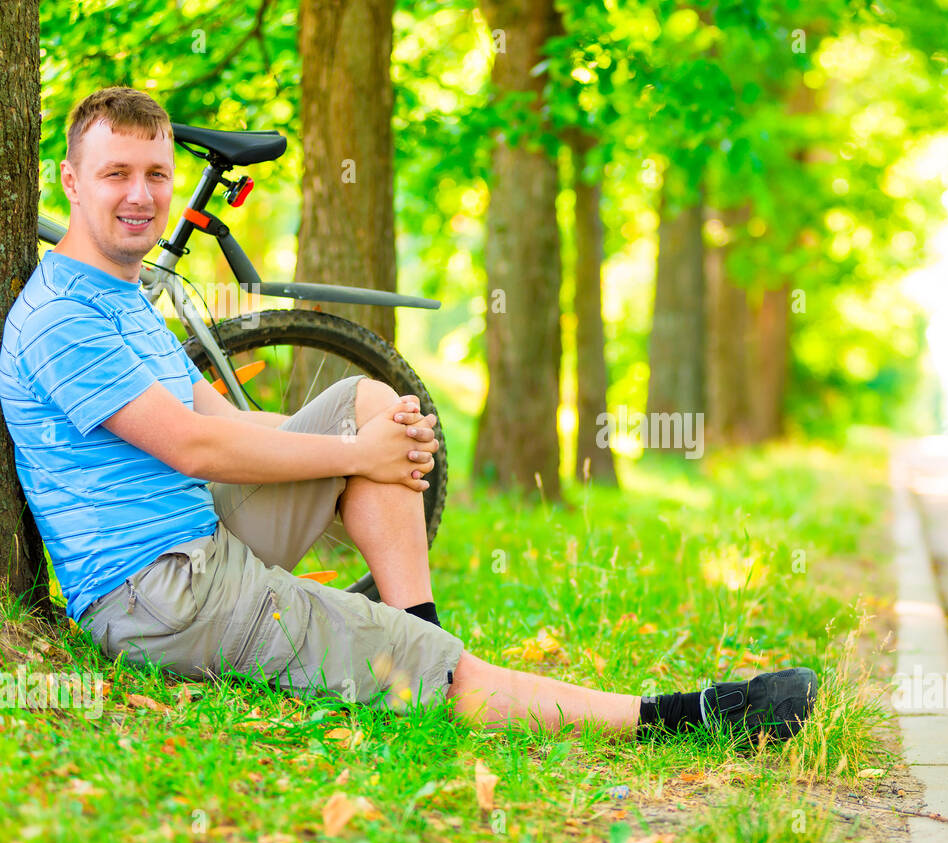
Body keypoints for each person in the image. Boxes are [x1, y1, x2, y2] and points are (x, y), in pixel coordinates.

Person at [0, 86, 817, 744]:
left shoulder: (124, 296)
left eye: (155, 174)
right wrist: (355, 459)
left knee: (372, 402)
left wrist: (366, 441)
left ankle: (413, 626)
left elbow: (224, 416)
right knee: (437, 659)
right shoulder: (64, 315)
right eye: (116, 175)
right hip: (159, 595)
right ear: (72, 182)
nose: (140, 195)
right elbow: (195, 446)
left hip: (197, 538)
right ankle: (692, 718)